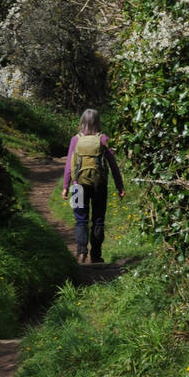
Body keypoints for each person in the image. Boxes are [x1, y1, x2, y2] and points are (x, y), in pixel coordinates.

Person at [62, 108, 125, 264]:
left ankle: (81, 253)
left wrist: (65, 186)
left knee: (80, 220)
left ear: (82, 122)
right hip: (100, 185)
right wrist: (120, 186)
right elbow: (113, 165)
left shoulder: (75, 140)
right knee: (98, 220)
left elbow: (69, 166)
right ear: (97, 122)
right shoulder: (103, 139)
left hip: (77, 186)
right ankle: (96, 256)